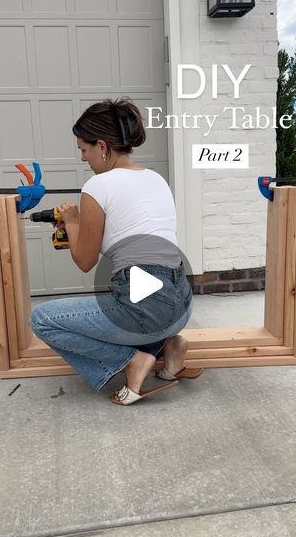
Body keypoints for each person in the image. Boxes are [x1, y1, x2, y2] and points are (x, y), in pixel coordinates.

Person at [30, 98, 203, 406]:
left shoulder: (98, 186)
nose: (83, 158)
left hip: (149, 310)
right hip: (182, 305)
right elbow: (128, 231)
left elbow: (85, 261)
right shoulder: (155, 178)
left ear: (102, 146)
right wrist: (78, 225)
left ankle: (130, 362)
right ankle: (170, 349)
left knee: (42, 319)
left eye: (84, 149)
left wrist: (71, 220)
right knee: (137, 316)